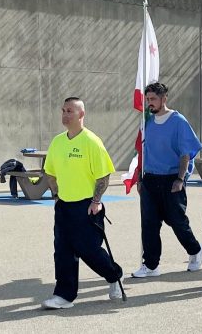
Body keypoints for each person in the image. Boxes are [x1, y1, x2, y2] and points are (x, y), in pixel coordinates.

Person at [40, 97, 123, 309]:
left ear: (81, 115)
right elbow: (49, 171)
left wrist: (96, 201)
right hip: (64, 206)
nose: (65, 115)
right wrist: (57, 195)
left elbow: (103, 176)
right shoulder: (57, 142)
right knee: (62, 250)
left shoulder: (91, 142)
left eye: (70, 111)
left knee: (88, 249)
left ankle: (113, 276)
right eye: (63, 110)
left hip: (86, 206)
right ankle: (64, 296)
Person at [131, 82, 202, 278]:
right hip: (150, 180)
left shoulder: (178, 121)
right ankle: (151, 265)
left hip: (172, 179)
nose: (150, 103)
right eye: (147, 99)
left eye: (153, 99)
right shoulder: (147, 122)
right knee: (149, 224)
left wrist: (180, 179)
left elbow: (185, 154)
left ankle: (195, 250)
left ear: (164, 99)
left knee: (177, 222)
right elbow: (142, 152)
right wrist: (140, 178)